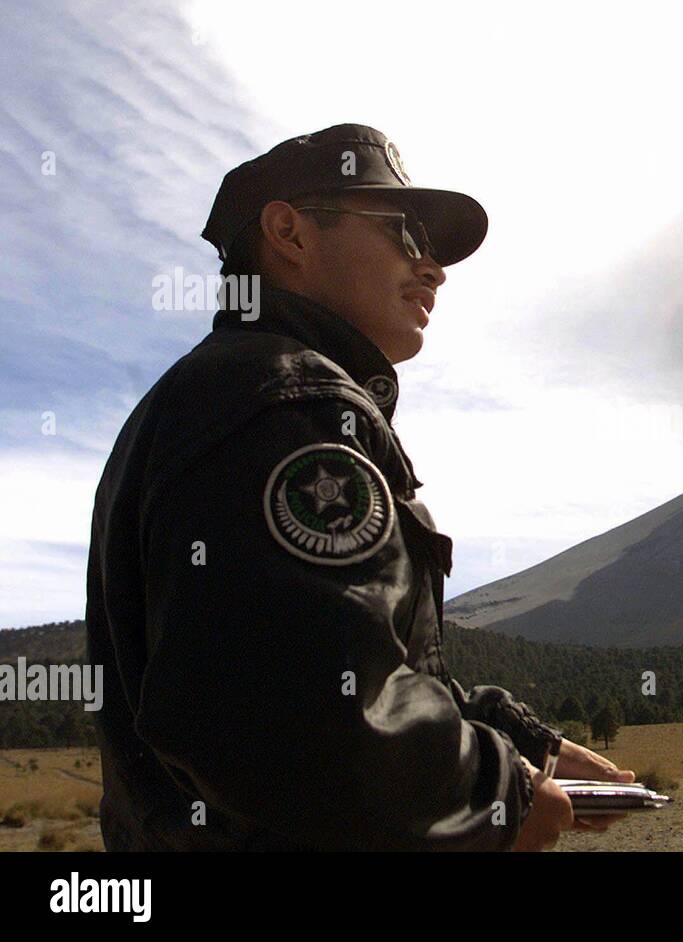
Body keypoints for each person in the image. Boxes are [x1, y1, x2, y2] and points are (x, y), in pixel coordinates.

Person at [85, 124, 633, 851]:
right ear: (289, 232)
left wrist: (528, 745)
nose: (434, 268)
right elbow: (304, 716)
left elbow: (345, 663)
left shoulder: (218, 396)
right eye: (407, 232)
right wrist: (496, 794)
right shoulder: (286, 404)